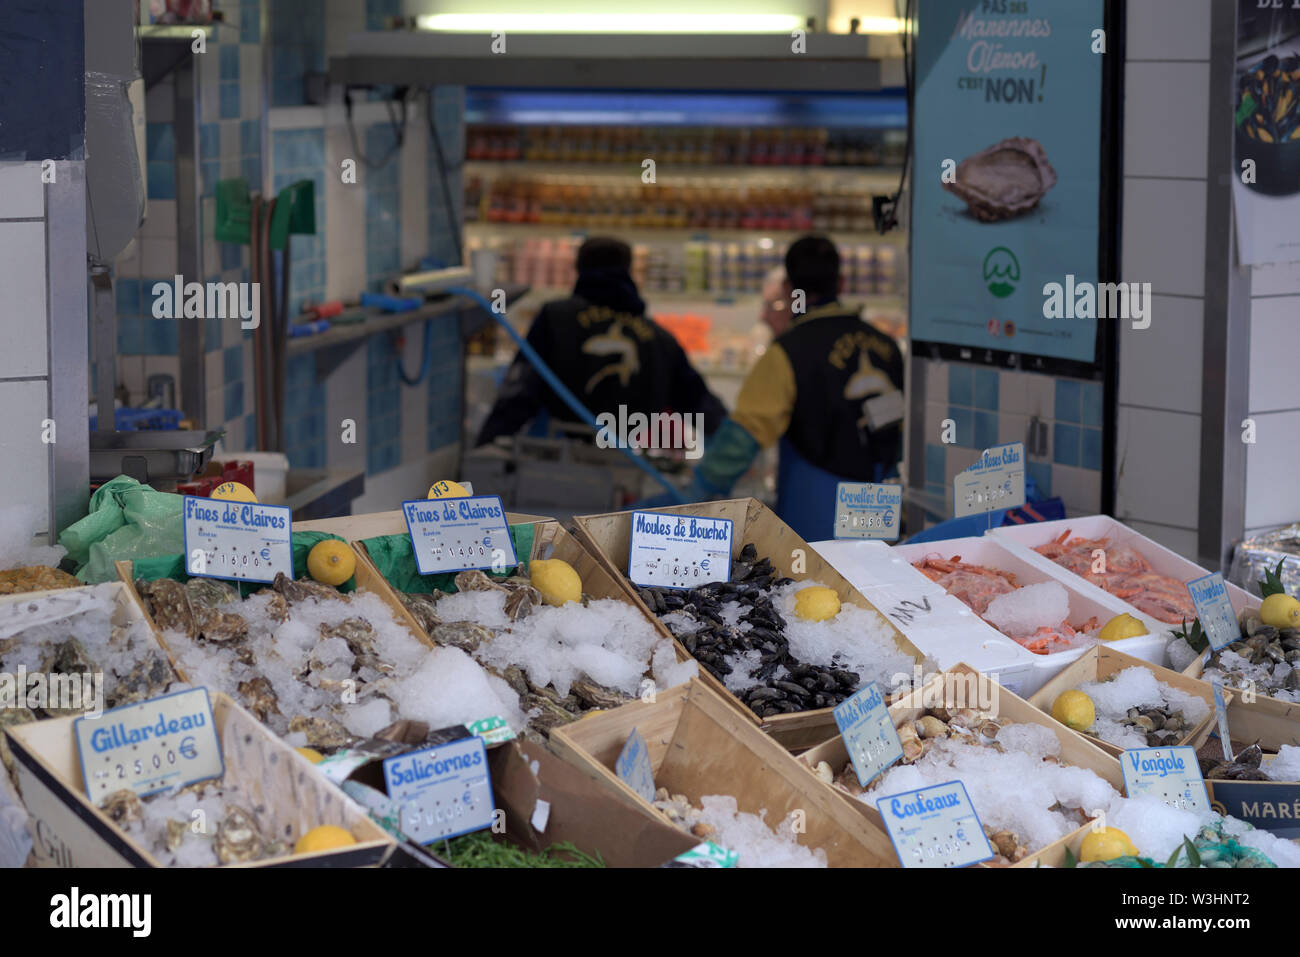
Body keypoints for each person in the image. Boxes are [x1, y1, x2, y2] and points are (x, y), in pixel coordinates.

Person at [662, 235, 905, 540]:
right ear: (841, 283)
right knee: (875, 582)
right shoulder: (886, 347)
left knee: (814, 585)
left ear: (791, 290)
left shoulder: (789, 351)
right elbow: (899, 433)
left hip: (815, 515)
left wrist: (696, 493)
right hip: (879, 509)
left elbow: (743, 437)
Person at [475, 236, 726, 448]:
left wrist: (487, 444)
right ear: (629, 271)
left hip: (553, 460)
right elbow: (700, 404)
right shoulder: (659, 339)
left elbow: (519, 391)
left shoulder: (555, 317)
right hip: (624, 465)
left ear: (578, 268)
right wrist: (735, 448)